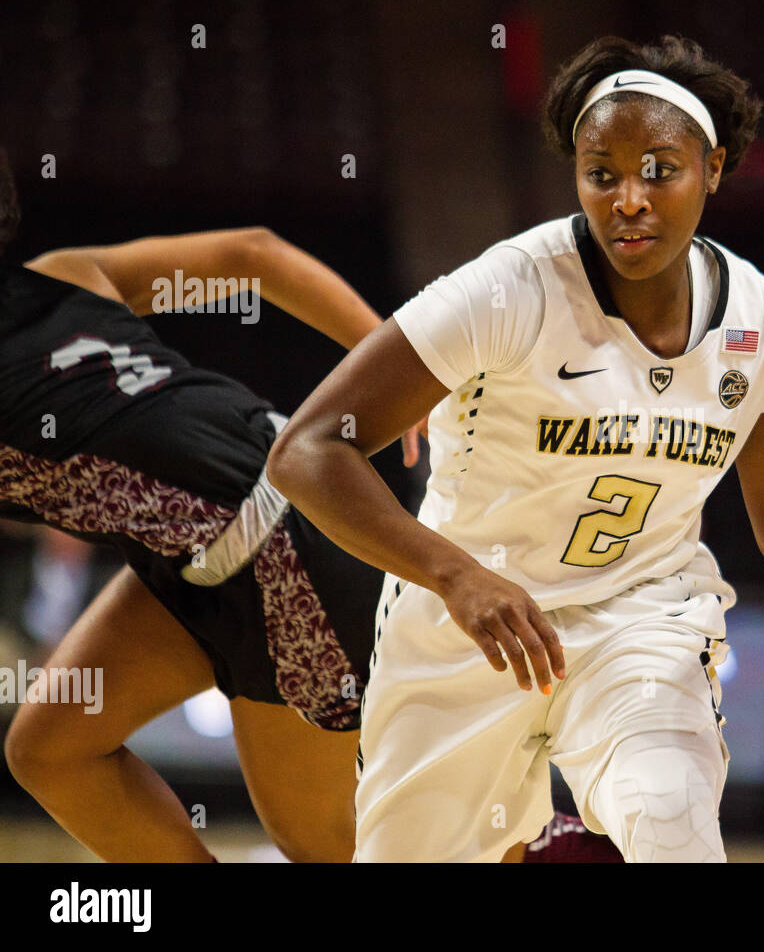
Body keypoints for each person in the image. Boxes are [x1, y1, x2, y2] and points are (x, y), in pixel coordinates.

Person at [267, 34, 764, 863]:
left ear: (713, 168)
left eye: (659, 168)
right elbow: (306, 449)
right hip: (466, 625)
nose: (628, 198)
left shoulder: (760, 321)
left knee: (671, 823)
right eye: (600, 173)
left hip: (641, 621)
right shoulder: (508, 288)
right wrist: (455, 573)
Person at [0, 147, 608, 862]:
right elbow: (253, 256)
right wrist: (381, 349)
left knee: (338, 848)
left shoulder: (64, 277)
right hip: (195, 556)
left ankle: (558, 851)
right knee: (49, 750)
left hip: (282, 551)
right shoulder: (64, 274)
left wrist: (404, 375)